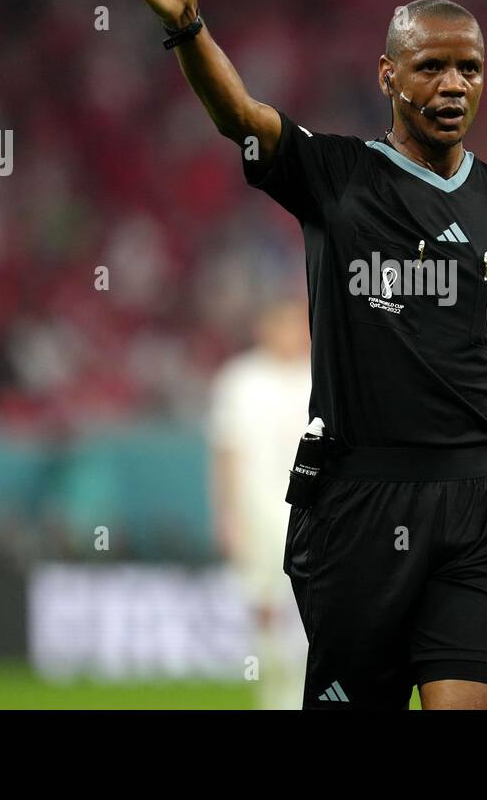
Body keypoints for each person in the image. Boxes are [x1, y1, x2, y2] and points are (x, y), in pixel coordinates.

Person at [108, 0, 487, 709]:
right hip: (356, 510)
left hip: (475, 507)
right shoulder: (336, 177)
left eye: (468, 68)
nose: (452, 85)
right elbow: (242, 118)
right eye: (431, 66)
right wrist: (188, 27)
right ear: (388, 76)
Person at [207, 296, 311, 709]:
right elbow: (226, 453)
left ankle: (310, 686)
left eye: (295, 324)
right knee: (264, 605)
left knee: (316, 604)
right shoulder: (239, 380)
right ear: (263, 327)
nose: (288, 334)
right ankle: (274, 688)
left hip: (314, 513)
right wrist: (227, 514)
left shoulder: (322, 375)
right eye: (279, 324)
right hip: (257, 513)